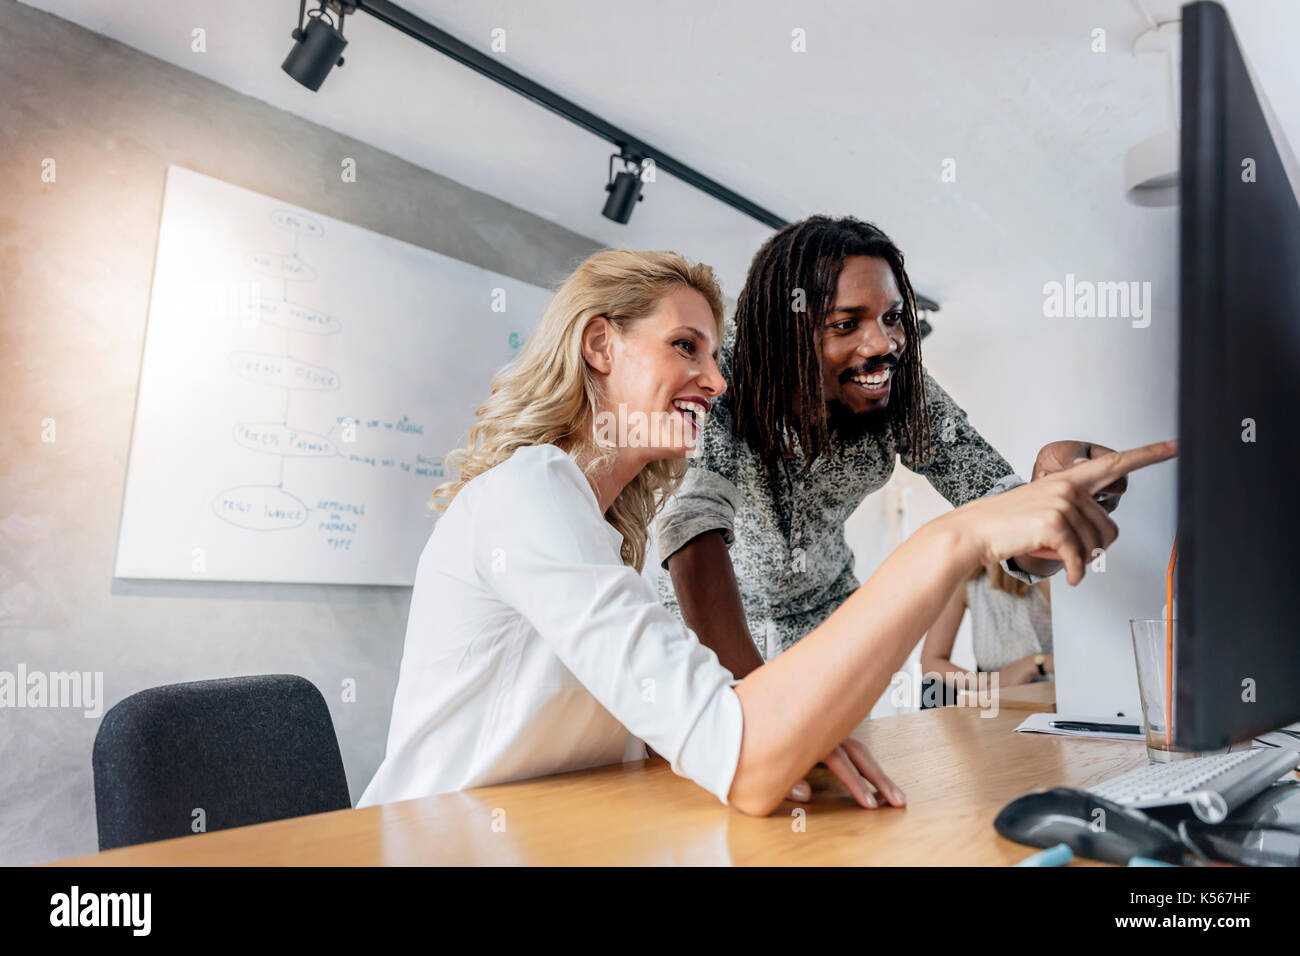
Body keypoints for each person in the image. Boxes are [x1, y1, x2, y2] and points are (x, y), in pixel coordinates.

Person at [357, 248, 1173, 816]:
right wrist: (945, 543)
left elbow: (1014, 519)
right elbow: (725, 705)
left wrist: (1049, 483)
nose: (713, 381)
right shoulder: (533, 492)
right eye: (686, 348)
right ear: (599, 345)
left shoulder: (603, 536)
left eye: (892, 322)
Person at [658, 215, 1131, 799]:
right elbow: (690, 533)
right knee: (702, 798)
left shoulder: (898, 384)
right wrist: (758, 711)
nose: (882, 343)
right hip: (703, 627)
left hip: (823, 619)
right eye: (845, 324)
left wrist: (1056, 504)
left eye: (891, 318)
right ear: (785, 335)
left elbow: (1014, 536)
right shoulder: (721, 381)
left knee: (835, 805)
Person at [919, 565, 1053, 707]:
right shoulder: (967, 582)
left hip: (1045, 697)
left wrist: (1031, 665)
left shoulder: (1043, 576)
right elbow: (930, 662)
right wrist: (988, 683)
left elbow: (1076, 658)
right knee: (933, 687)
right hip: (997, 701)